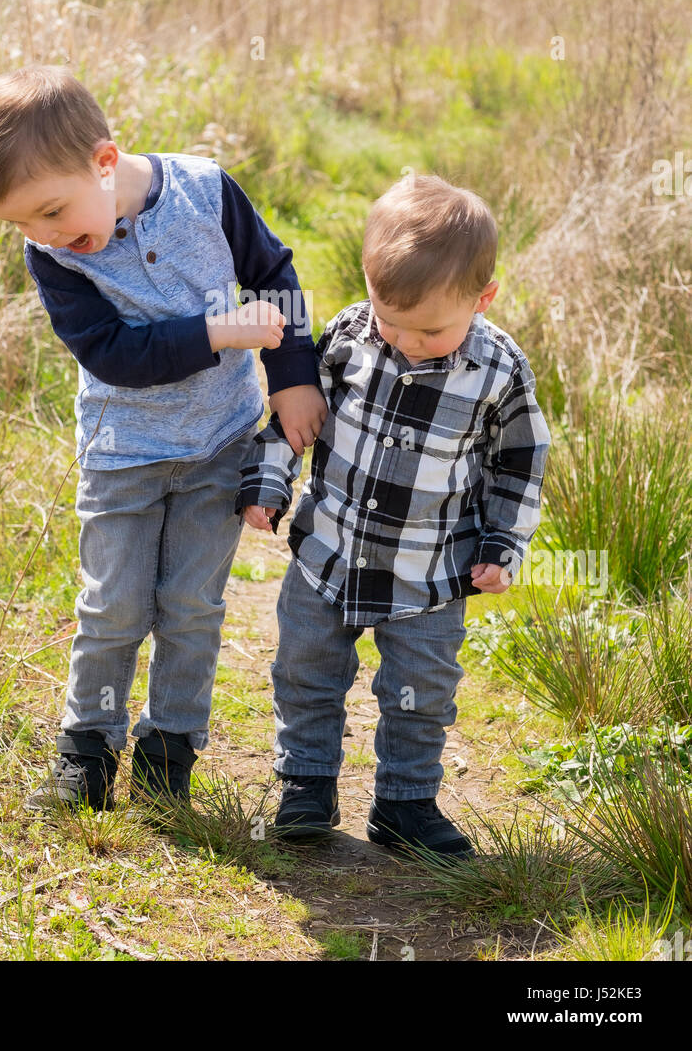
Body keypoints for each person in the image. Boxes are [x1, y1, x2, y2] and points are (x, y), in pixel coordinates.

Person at [0, 64, 327, 810]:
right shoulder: (55, 256)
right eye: (23, 224)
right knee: (115, 607)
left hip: (218, 443)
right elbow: (113, 356)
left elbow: (274, 273)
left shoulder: (206, 191)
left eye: (53, 211)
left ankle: (170, 752)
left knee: (192, 605)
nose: (45, 236)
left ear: (104, 161)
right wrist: (219, 330)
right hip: (122, 454)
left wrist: (293, 374)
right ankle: (87, 747)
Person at [235, 173, 551, 859]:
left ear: (484, 298)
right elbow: (294, 419)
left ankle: (405, 802)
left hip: (428, 575)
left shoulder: (499, 372)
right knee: (305, 673)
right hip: (329, 553)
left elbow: (520, 464)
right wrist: (267, 484)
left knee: (421, 692)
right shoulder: (350, 336)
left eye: (431, 331)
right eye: (391, 322)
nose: (406, 342)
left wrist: (502, 543)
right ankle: (306, 784)